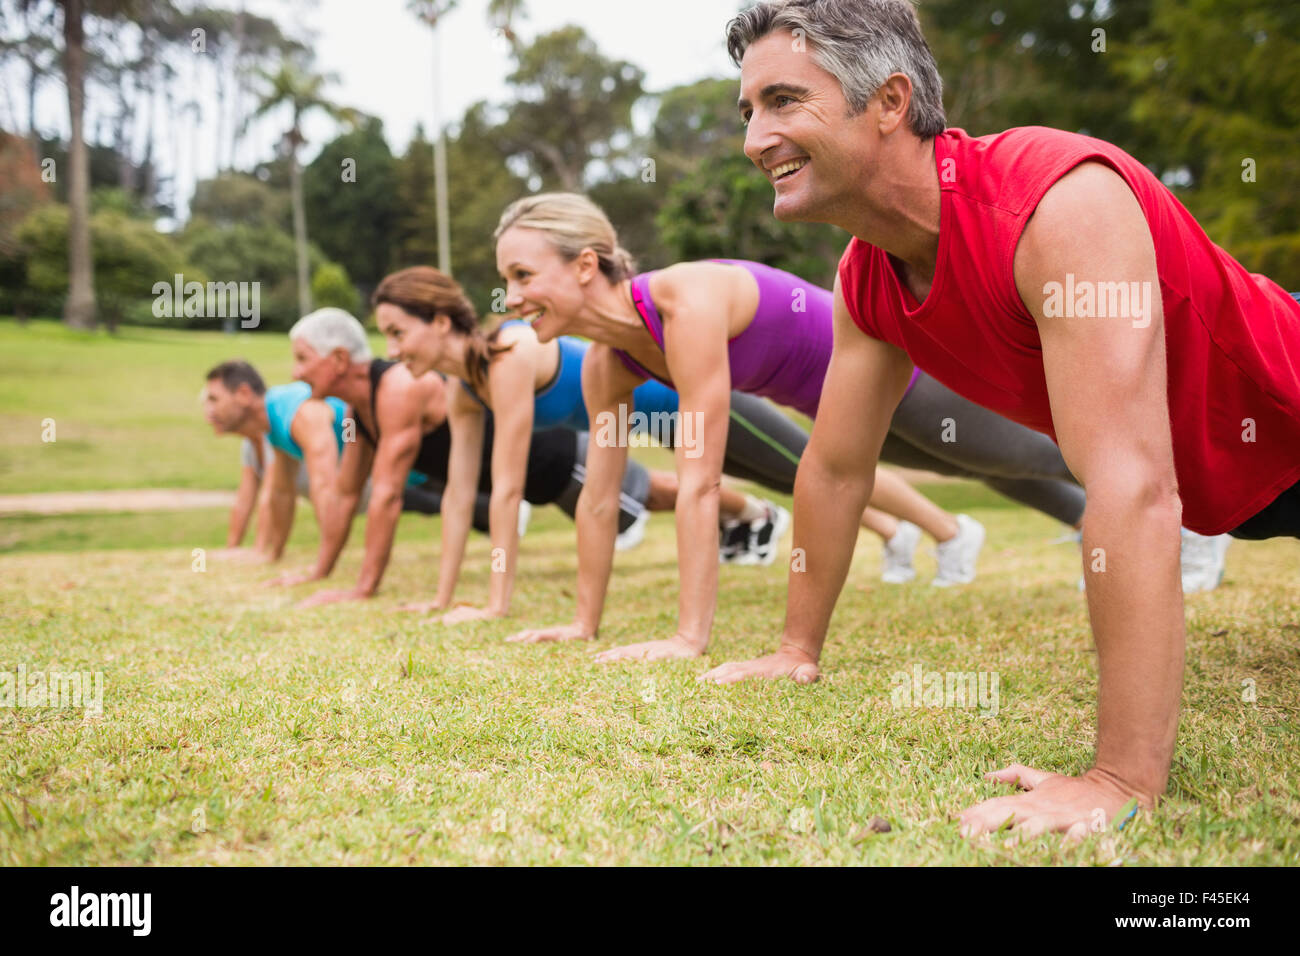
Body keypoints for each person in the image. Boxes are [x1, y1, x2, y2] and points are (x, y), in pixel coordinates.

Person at [715, 0, 1299, 838]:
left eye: (782, 101)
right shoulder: (867, 279)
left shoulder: (1058, 202)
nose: (754, 139)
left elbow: (1132, 487)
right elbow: (838, 468)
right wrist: (794, 650)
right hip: (1247, 489)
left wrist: (1118, 780)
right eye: (748, 110)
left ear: (889, 102)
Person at [492, 194, 1127, 660]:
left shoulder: (682, 303)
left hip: (887, 362)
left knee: (1031, 453)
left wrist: (689, 638)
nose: (511, 299)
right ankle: (1122, 514)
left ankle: (1159, 504)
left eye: (523, 276)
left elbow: (700, 483)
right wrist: (582, 624)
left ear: (585, 265)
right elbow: (600, 500)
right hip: (832, 404)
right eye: (506, 282)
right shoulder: (606, 367)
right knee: (977, 462)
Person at [370, 265, 809, 620]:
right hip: (648, 423)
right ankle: (764, 517)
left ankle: (824, 525)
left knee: (812, 474)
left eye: (397, 332)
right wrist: (442, 599)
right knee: (799, 481)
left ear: (440, 322)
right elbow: (459, 495)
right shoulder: (462, 388)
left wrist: (495, 606)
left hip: (689, 396)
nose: (390, 350)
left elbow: (507, 490)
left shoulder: (509, 354)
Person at [272, 308, 678, 612]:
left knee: (655, 495)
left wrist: (363, 589)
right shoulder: (355, 414)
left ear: (339, 359)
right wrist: (320, 571)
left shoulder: (397, 389)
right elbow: (347, 495)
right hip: (516, 483)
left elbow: (387, 495)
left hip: (556, 459)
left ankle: (719, 508)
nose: (295, 372)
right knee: (655, 496)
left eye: (303, 358)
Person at [201, 359, 482, 564]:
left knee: (476, 498)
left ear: (244, 394)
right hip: (401, 476)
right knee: (463, 505)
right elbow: (281, 493)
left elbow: (325, 487)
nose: (208, 410)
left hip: (417, 462)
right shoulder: (272, 427)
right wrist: (271, 554)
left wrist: (325, 561)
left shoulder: (295, 410)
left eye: (214, 399)